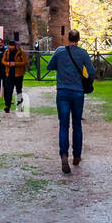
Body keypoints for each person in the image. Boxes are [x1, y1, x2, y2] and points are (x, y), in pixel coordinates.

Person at [46, 29, 95, 174]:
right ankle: (77, 155)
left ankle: (64, 154)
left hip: (62, 91)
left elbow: (49, 66)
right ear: (78, 39)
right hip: (78, 92)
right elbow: (91, 72)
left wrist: (61, 67)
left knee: (63, 125)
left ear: (67, 38)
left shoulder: (60, 51)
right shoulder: (83, 53)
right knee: (77, 125)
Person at [1, 41, 28, 112]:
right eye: (9, 46)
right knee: (8, 91)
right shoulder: (6, 52)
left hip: (18, 75)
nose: (10, 47)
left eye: (12, 46)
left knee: (19, 91)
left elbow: (24, 62)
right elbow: (3, 60)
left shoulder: (21, 52)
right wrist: (7, 63)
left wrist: (15, 64)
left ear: (15, 46)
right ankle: (7, 106)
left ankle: (19, 106)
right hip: (9, 74)